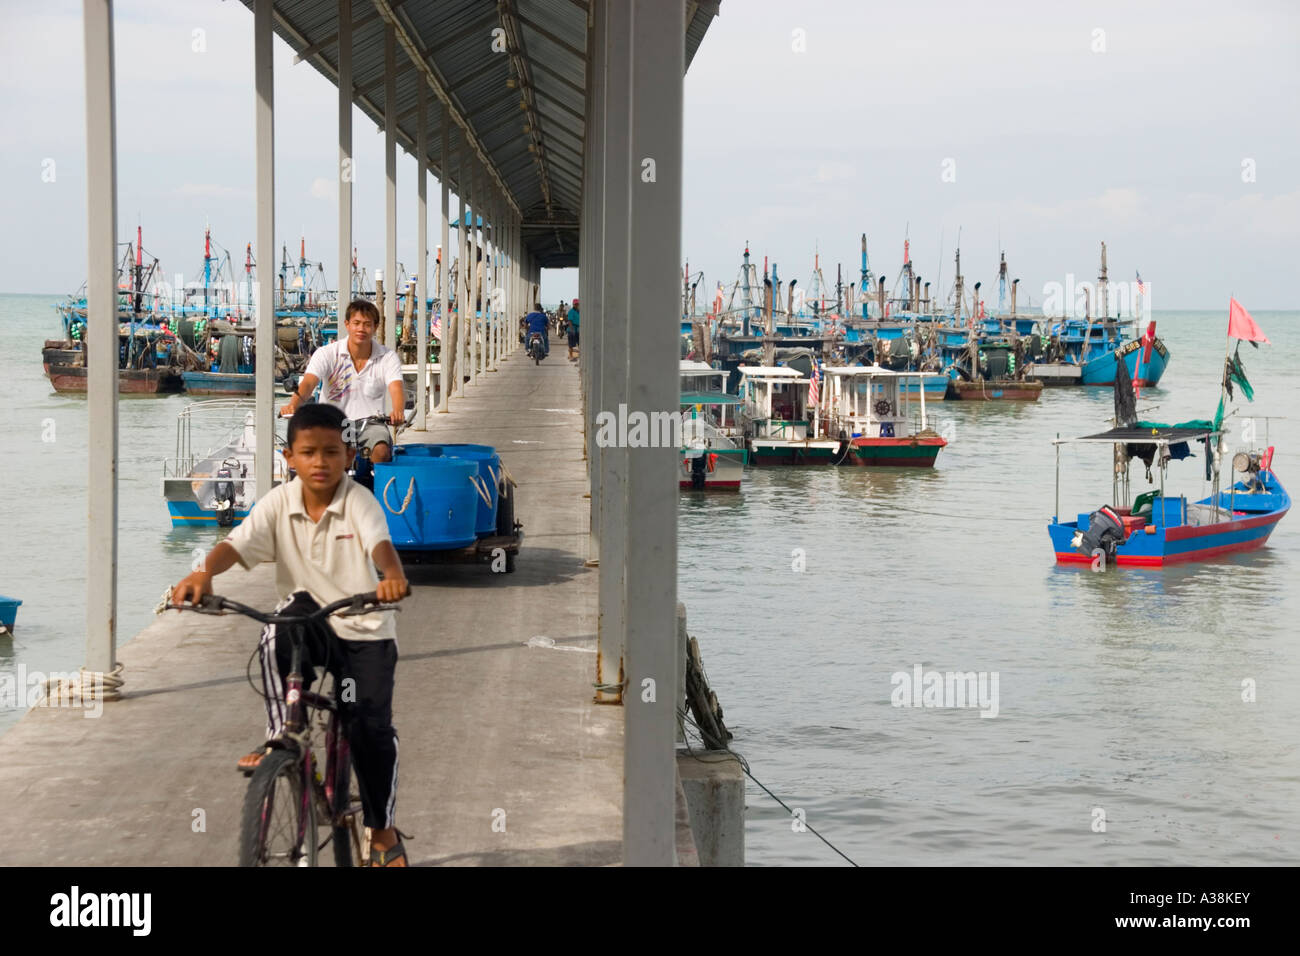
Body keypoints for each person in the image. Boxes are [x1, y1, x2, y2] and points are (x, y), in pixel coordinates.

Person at [171, 402, 412, 866]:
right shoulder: (278, 504)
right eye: (308, 452)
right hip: (313, 623)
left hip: (364, 627)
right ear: (290, 459)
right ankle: (280, 734)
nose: (320, 462)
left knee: (369, 729)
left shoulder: (358, 501)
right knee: (279, 625)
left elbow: (381, 546)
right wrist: (202, 574)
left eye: (330, 452)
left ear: (347, 455)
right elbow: (233, 545)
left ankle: (381, 831)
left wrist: (390, 577)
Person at [280, 299, 405, 463]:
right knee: (318, 454)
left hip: (371, 423)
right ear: (347, 324)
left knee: (381, 451)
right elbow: (309, 383)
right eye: (356, 323)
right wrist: (293, 404)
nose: (361, 329)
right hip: (332, 422)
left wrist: (398, 411)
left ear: (375, 327)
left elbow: (396, 388)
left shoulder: (387, 357)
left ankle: (378, 488)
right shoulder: (327, 353)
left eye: (367, 324)